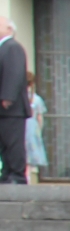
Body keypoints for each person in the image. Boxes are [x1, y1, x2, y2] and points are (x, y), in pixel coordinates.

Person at [0, 18, 27, 184]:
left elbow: (14, 73)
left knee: (13, 142)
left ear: (9, 28)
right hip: (3, 108)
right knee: (4, 143)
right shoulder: (3, 48)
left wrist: (7, 96)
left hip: (12, 108)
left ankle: (17, 175)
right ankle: (7, 173)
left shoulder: (13, 47)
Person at [24, 72, 48, 184]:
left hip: (23, 127)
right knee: (29, 155)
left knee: (23, 153)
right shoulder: (37, 99)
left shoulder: (22, 97)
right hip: (32, 128)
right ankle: (27, 176)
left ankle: (26, 176)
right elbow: (40, 117)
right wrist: (39, 130)